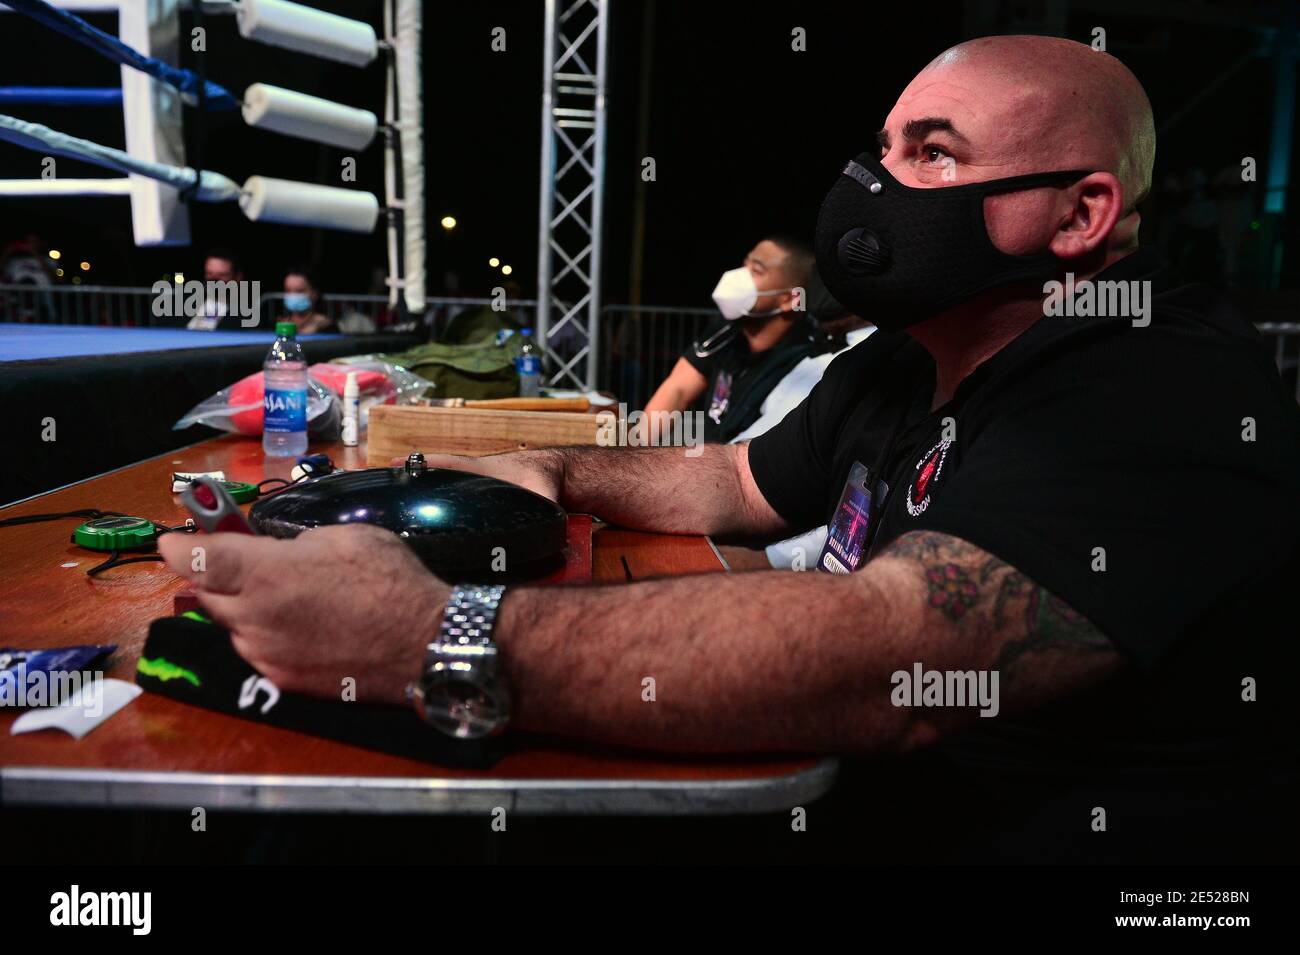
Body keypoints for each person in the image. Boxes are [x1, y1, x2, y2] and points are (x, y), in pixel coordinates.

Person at [160, 36, 1300, 862]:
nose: (877, 184)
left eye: (933, 154)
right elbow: (734, 476)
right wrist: (550, 469)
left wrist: (429, 634)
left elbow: (899, 657)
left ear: (1078, 216)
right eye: (885, 147)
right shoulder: (908, 356)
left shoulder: (1158, 380)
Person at [642, 235, 825, 442]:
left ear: (791, 299)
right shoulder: (727, 328)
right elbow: (678, 389)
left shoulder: (807, 359)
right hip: (709, 462)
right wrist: (634, 451)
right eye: (744, 265)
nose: (740, 276)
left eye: (756, 271)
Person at [281, 266, 336, 334]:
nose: (293, 296)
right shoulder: (281, 323)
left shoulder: (326, 326)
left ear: (314, 293)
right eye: (288, 290)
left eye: (299, 291)